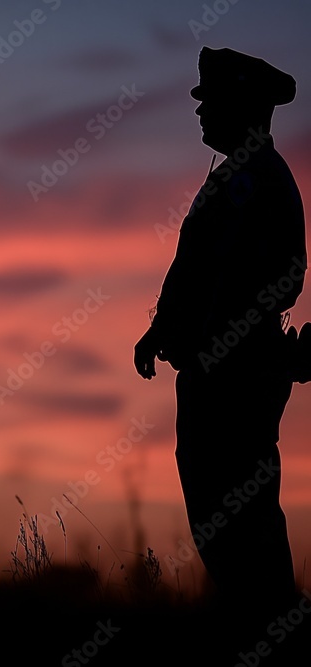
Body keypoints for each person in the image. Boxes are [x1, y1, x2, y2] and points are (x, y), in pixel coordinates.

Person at [134, 47, 305, 636]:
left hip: (238, 375)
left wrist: (220, 339)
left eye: (212, 102)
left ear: (245, 107)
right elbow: (194, 269)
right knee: (216, 511)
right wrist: (162, 330)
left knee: (242, 513)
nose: (201, 112)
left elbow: (282, 276)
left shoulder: (257, 177)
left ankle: (270, 625)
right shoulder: (232, 176)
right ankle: (250, 623)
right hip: (214, 374)